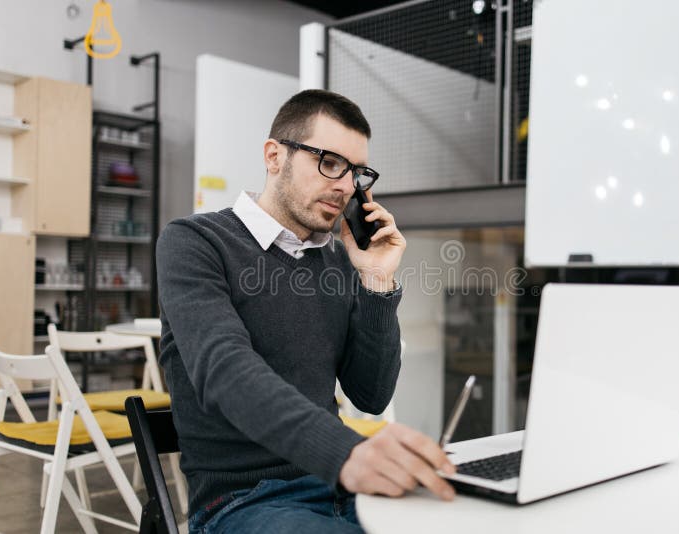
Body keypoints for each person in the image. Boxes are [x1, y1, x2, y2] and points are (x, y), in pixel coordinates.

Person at [156, 89, 456, 533]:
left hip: (339, 489)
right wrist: (347, 453)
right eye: (330, 162)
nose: (346, 185)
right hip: (244, 501)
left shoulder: (338, 260)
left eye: (356, 172)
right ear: (274, 156)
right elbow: (225, 370)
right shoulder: (195, 242)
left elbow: (370, 396)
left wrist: (377, 280)